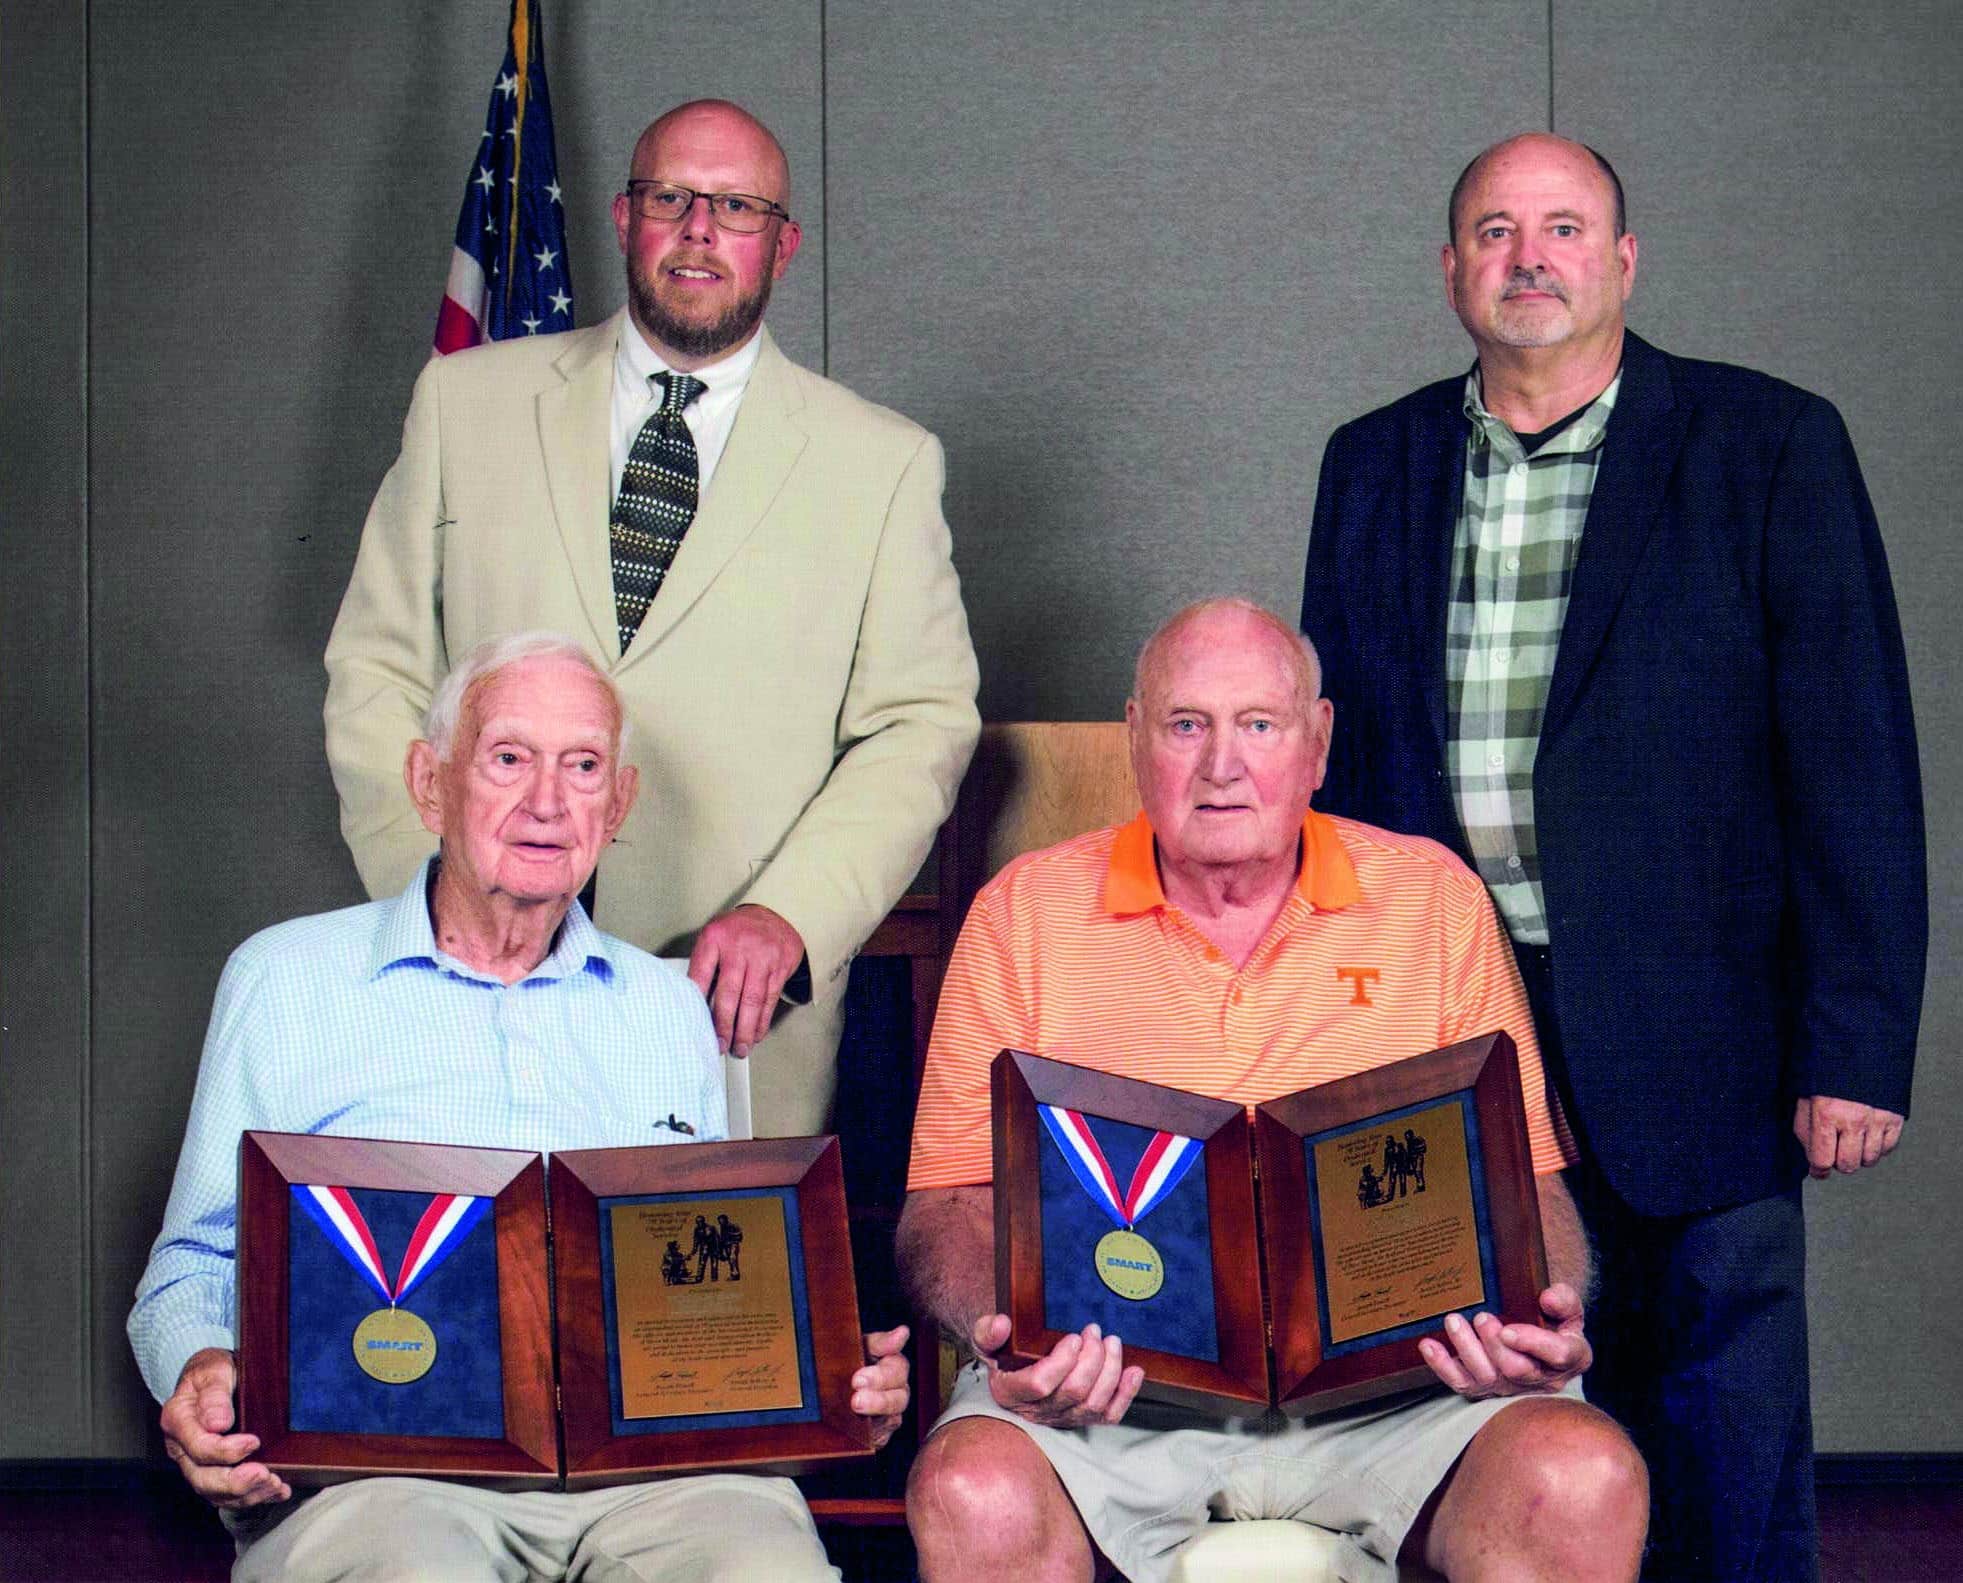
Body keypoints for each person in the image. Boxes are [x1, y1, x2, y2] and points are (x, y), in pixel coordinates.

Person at [1299, 133, 1925, 1580]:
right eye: (1494, 229)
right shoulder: (1371, 463)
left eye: (1562, 227)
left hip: (1705, 1016)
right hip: (1455, 1016)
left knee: (1718, 1402)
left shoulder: (1767, 443)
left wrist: (1857, 1038)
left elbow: (1853, 754)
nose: (1529, 255)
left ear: (1621, 262)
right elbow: (1341, 765)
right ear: (1449, 268)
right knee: (1492, 1409)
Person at [131, 633, 910, 1582]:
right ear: (430, 783)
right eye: (509, 757)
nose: (548, 801)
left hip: (660, 1480)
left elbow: (721, 1286)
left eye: (583, 766)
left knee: (768, 1569)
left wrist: (831, 1374)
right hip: (385, 1475)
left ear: (615, 805)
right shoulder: (287, 980)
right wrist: (198, 1367)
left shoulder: (670, 1012)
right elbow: (193, 1260)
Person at [898, 600, 1647, 1583]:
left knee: (1582, 1469)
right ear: (1134, 737)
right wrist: (1007, 1329)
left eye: (1258, 723)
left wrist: (1541, 1313)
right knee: (971, 1485)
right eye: (1185, 724)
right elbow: (944, 1205)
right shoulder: (1024, 915)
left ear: (1317, 741)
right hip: (1113, 1395)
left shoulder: (1433, 901)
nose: (1221, 762)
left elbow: (1534, 1188)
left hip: (1404, 1392)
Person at [324, 98, 980, 1138]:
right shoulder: (463, 402)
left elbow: (921, 724)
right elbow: (374, 666)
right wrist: (435, 894)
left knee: (698, 1297)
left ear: (784, 243)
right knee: (449, 1289)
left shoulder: (883, 463)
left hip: (721, 1006)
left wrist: (791, 917)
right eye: (669, 197)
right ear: (626, 219)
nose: (698, 230)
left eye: (736, 206)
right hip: (460, 980)